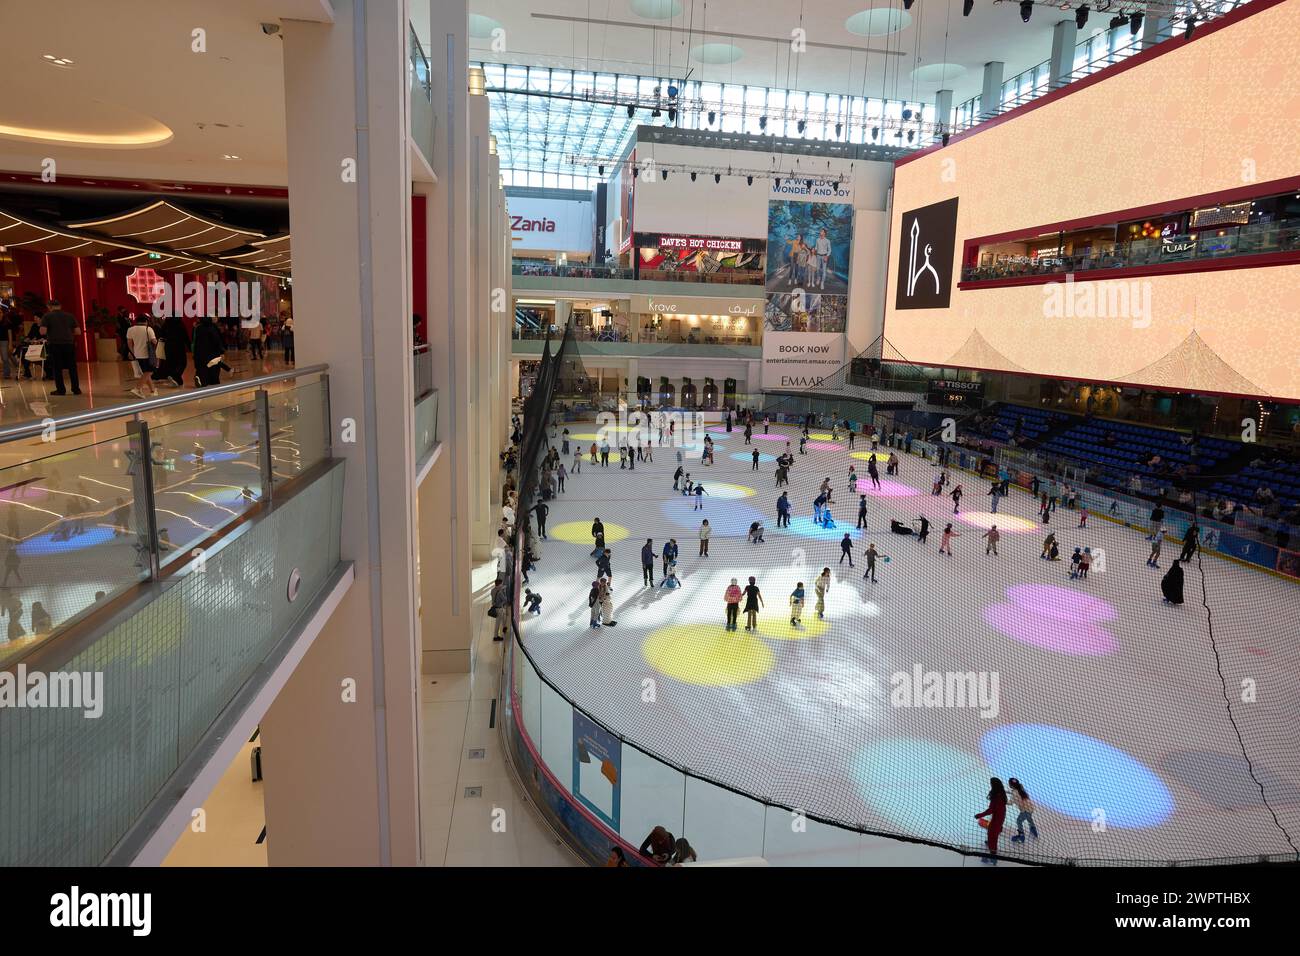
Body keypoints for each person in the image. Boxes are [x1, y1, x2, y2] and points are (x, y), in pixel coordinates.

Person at [39, 299, 81, 395]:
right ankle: (76, 389)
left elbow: (43, 332)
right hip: (69, 344)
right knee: (72, 367)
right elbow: (78, 332)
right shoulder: (70, 316)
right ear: (60, 306)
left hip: (55, 345)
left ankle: (61, 390)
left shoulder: (47, 316)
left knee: (57, 368)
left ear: (49, 307)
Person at [125, 313, 160, 398]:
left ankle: (153, 390)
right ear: (146, 321)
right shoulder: (149, 329)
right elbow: (154, 342)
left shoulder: (130, 329)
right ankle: (137, 388)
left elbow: (129, 343)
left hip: (137, 354)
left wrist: (132, 352)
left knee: (145, 373)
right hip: (148, 354)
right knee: (149, 371)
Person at [975, 778, 1008, 863]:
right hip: (1001, 816)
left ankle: (993, 857)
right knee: (994, 832)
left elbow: (990, 810)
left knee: (992, 834)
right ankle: (992, 841)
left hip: (996, 819)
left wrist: (979, 815)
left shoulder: (997, 797)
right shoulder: (1001, 792)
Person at [192, 316, 226, 386]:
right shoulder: (212, 328)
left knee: (203, 369)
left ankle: (201, 379)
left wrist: (195, 354)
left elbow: (195, 341)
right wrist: (221, 351)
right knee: (214, 372)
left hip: (201, 353)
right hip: (212, 353)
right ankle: (211, 382)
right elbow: (217, 340)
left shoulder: (198, 328)